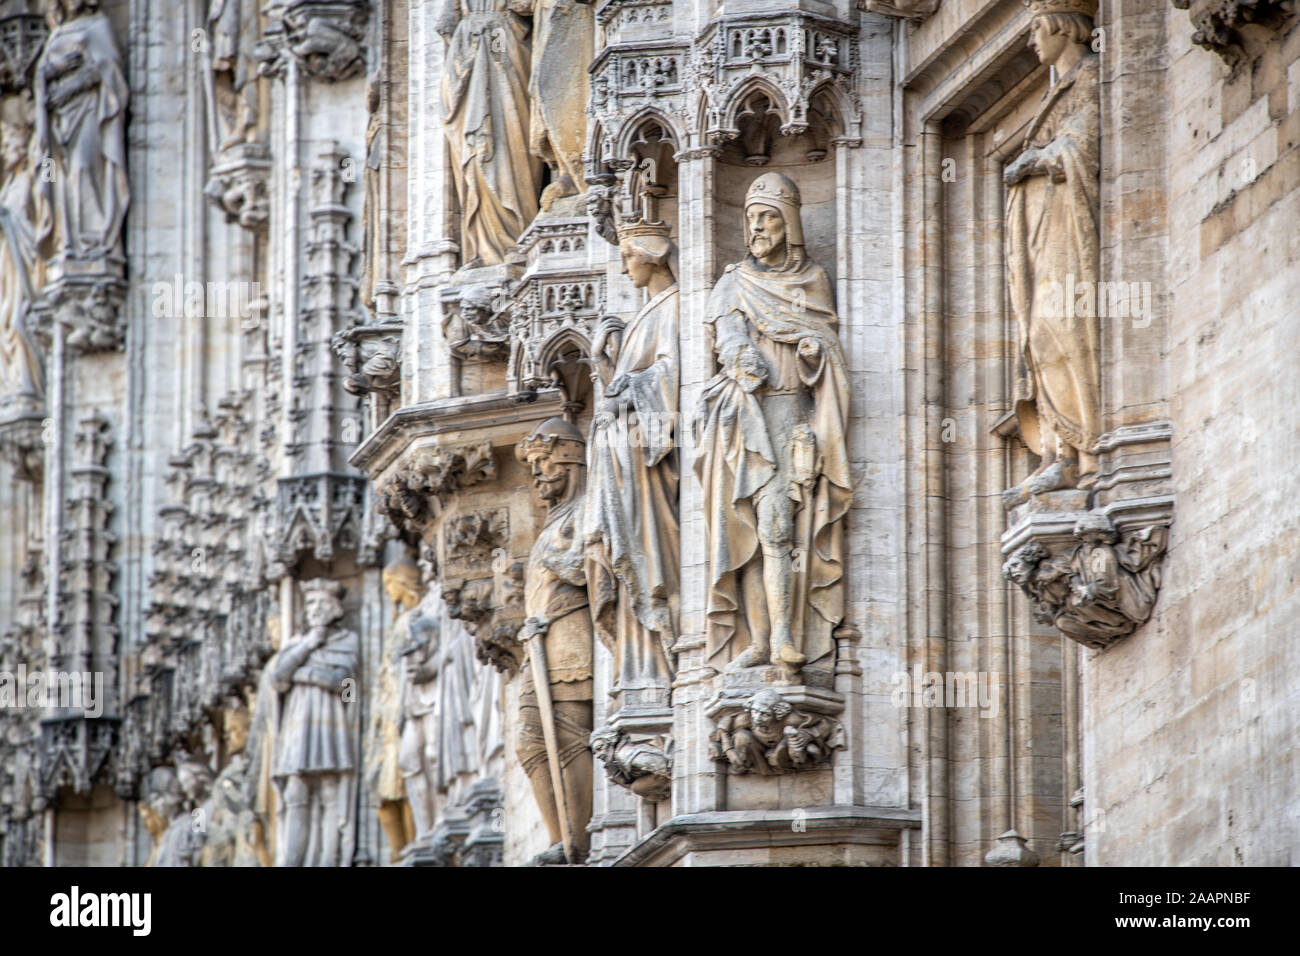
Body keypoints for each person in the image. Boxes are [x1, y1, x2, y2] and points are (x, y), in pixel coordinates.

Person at [693, 172, 851, 676]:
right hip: (742, 420)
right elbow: (727, 335)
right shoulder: (732, 284)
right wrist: (740, 357)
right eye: (750, 218)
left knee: (778, 528)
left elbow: (824, 345)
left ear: (790, 223)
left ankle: (785, 634)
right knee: (744, 529)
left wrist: (811, 352)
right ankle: (760, 638)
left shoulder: (811, 282)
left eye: (766, 217)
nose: (756, 227)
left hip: (787, 417)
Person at [1002, 0, 1101, 505]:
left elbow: (1087, 141)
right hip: (1041, 229)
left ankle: (1089, 457)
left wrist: (1036, 160)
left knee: (1066, 327)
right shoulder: (1059, 88)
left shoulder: (1092, 77)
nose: (1029, 40)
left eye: (1036, 28)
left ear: (1065, 26)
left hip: (1069, 224)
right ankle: (1060, 454)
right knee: (1041, 337)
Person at [585, 219, 680, 699]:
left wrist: (629, 385)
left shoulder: (674, 306)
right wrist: (606, 363)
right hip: (621, 459)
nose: (625, 268)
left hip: (646, 466)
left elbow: (672, 376)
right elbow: (621, 389)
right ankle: (641, 663)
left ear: (653, 255)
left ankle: (667, 652)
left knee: (649, 556)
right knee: (623, 560)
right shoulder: (647, 312)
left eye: (629, 257)